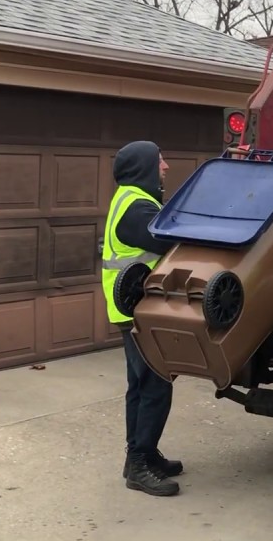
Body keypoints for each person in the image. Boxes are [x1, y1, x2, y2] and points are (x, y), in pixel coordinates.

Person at [101, 140, 183, 497]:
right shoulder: (137, 206)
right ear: (144, 168)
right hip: (138, 312)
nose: (165, 167)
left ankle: (142, 455)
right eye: (160, 161)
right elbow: (173, 241)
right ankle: (139, 465)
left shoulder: (131, 199)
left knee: (139, 386)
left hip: (130, 309)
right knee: (155, 386)